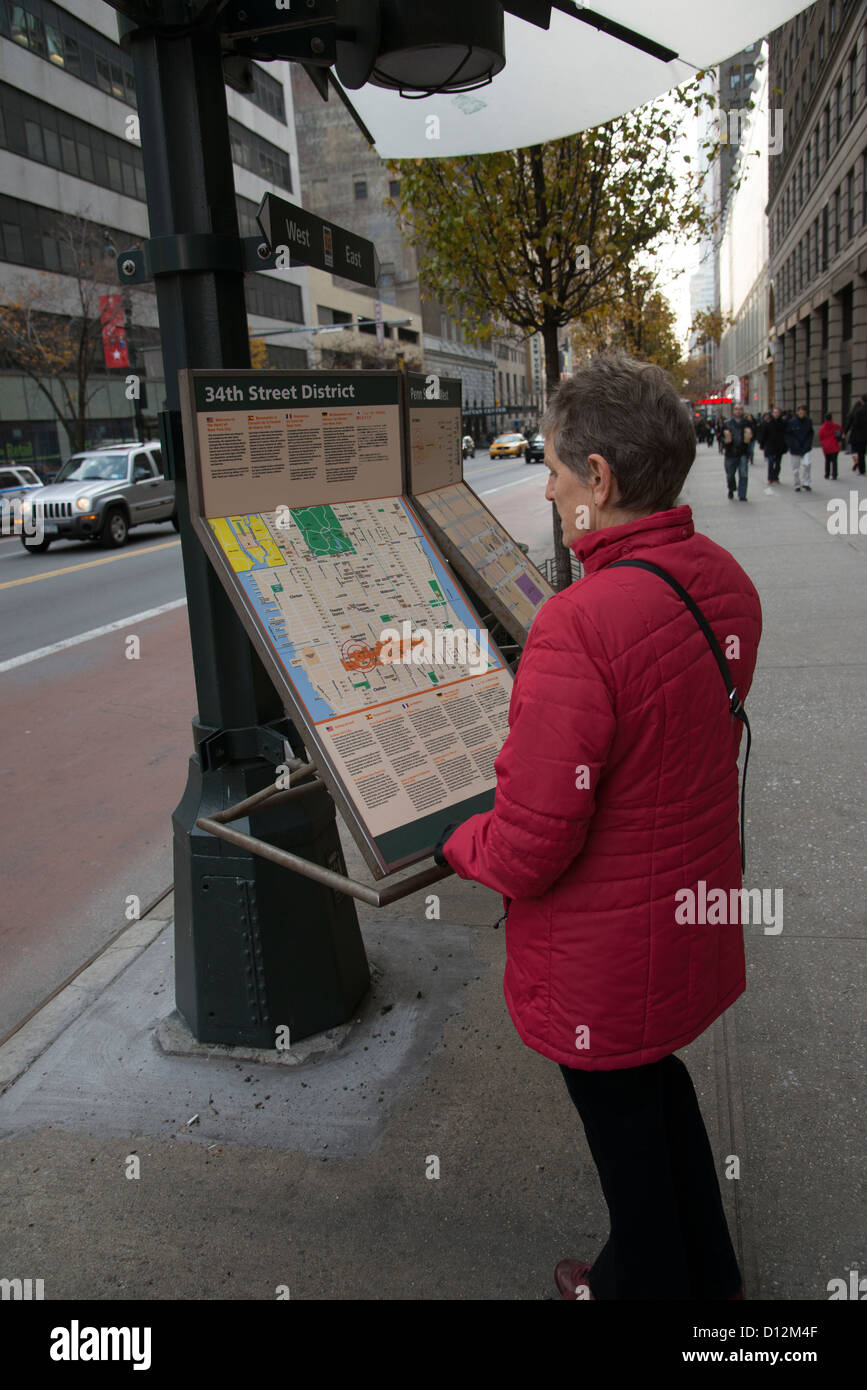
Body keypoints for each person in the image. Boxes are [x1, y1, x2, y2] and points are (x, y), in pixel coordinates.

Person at [434, 352, 762, 1302]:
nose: (546, 484)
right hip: (678, 916)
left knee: (626, 1132)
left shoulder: (580, 624)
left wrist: (458, 841)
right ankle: (715, 1283)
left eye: (553, 466)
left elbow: (529, 848)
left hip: (602, 956)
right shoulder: (723, 580)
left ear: (601, 480)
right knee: (655, 1095)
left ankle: (643, 1285)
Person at [721, 403, 751, 500]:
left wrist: (750, 436)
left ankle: (742, 495)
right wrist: (725, 440)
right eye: (736, 409)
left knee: (743, 474)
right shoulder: (727, 423)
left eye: (740, 409)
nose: (738, 411)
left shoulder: (747, 423)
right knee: (730, 474)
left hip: (743, 452)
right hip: (730, 453)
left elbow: (754, 435)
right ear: (733, 411)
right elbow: (720, 436)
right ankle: (731, 488)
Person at [785, 405, 814, 491]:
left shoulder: (808, 421)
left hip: (806, 447)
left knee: (807, 464)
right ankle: (797, 484)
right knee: (795, 468)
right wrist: (792, 444)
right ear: (797, 412)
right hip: (795, 448)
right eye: (800, 412)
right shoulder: (792, 422)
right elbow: (788, 435)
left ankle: (806, 482)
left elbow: (810, 433)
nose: (802, 413)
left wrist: (807, 444)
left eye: (803, 412)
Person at [763, 407, 787, 484]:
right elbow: (764, 435)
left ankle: (776, 476)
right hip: (770, 446)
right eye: (775, 412)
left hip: (780, 446)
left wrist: (786, 445)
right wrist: (763, 445)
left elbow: (785, 435)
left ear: (780, 413)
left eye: (777, 412)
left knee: (778, 463)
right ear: (772, 414)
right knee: (771, 462)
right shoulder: (768, 423)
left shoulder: (783, 423)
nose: (776, 414)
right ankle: (770, 477)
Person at [818, 413, 844, 480]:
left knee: (827, 460)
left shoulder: (822, 427)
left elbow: (820, 436)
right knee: (834, 461)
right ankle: (834, 475)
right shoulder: (836, 426)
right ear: (831, 418)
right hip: (834, 446)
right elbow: (841, 432)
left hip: (826, 447)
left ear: (825, 419)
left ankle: (827, 474)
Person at [845, 396, 867, 475]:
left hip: (861, 436)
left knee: (861, 453)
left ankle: (862, 470)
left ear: (862, 401)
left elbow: (855, 424)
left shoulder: (859, 411)